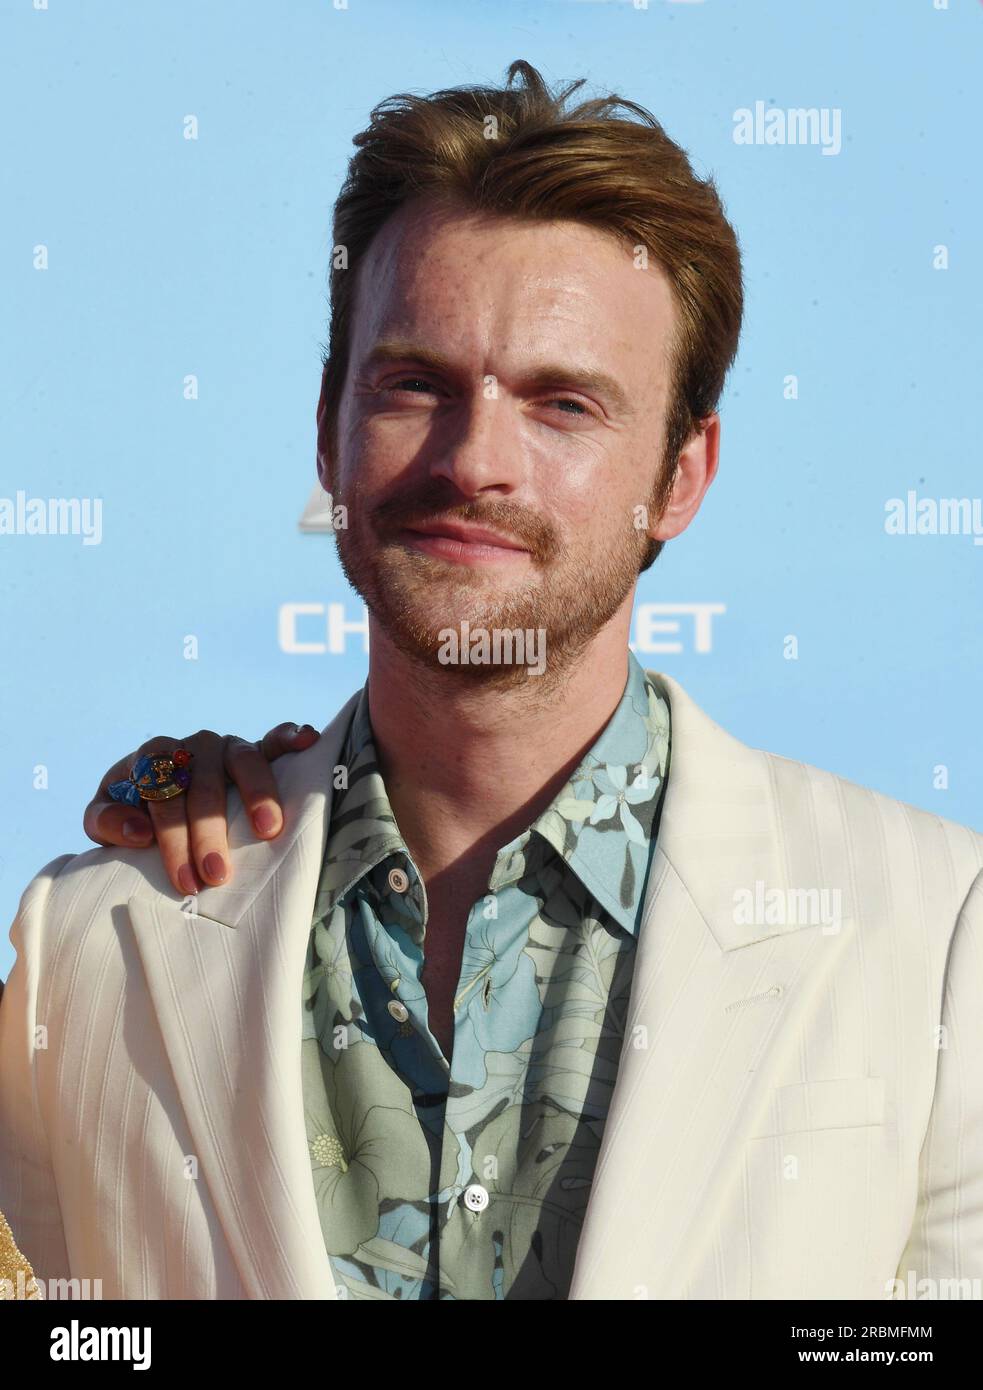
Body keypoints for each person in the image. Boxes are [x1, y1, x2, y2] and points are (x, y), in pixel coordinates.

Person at [1, 59, 981, 1302]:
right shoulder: (92, 941)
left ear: (681, 475)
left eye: (562, 403)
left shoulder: (938, 932)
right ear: (327, 428)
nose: (476, 462)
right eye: (414, 384)